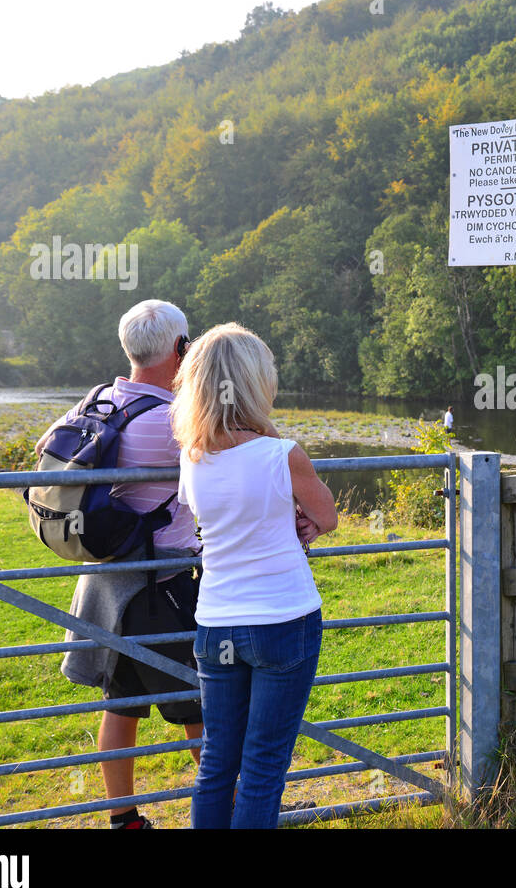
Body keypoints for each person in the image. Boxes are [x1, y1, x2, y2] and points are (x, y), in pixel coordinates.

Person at [36, 299, 203, 829]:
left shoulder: (99, 398)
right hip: (161, 584)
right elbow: (230, 464)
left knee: (122, 705)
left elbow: (47, 446)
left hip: (106, 583)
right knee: (201, 705)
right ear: (181, 348)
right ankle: (233, 808)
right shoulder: (170, 420)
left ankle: (124, 819)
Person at [174, 322, 338, 829]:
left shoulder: (192, 456)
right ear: (254, 383)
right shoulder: (281, 453)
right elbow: (327, 517)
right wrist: (300, 515)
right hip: (283, 618)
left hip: (217, 621)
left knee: (218, 763)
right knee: (264, 765)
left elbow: (217, 511)